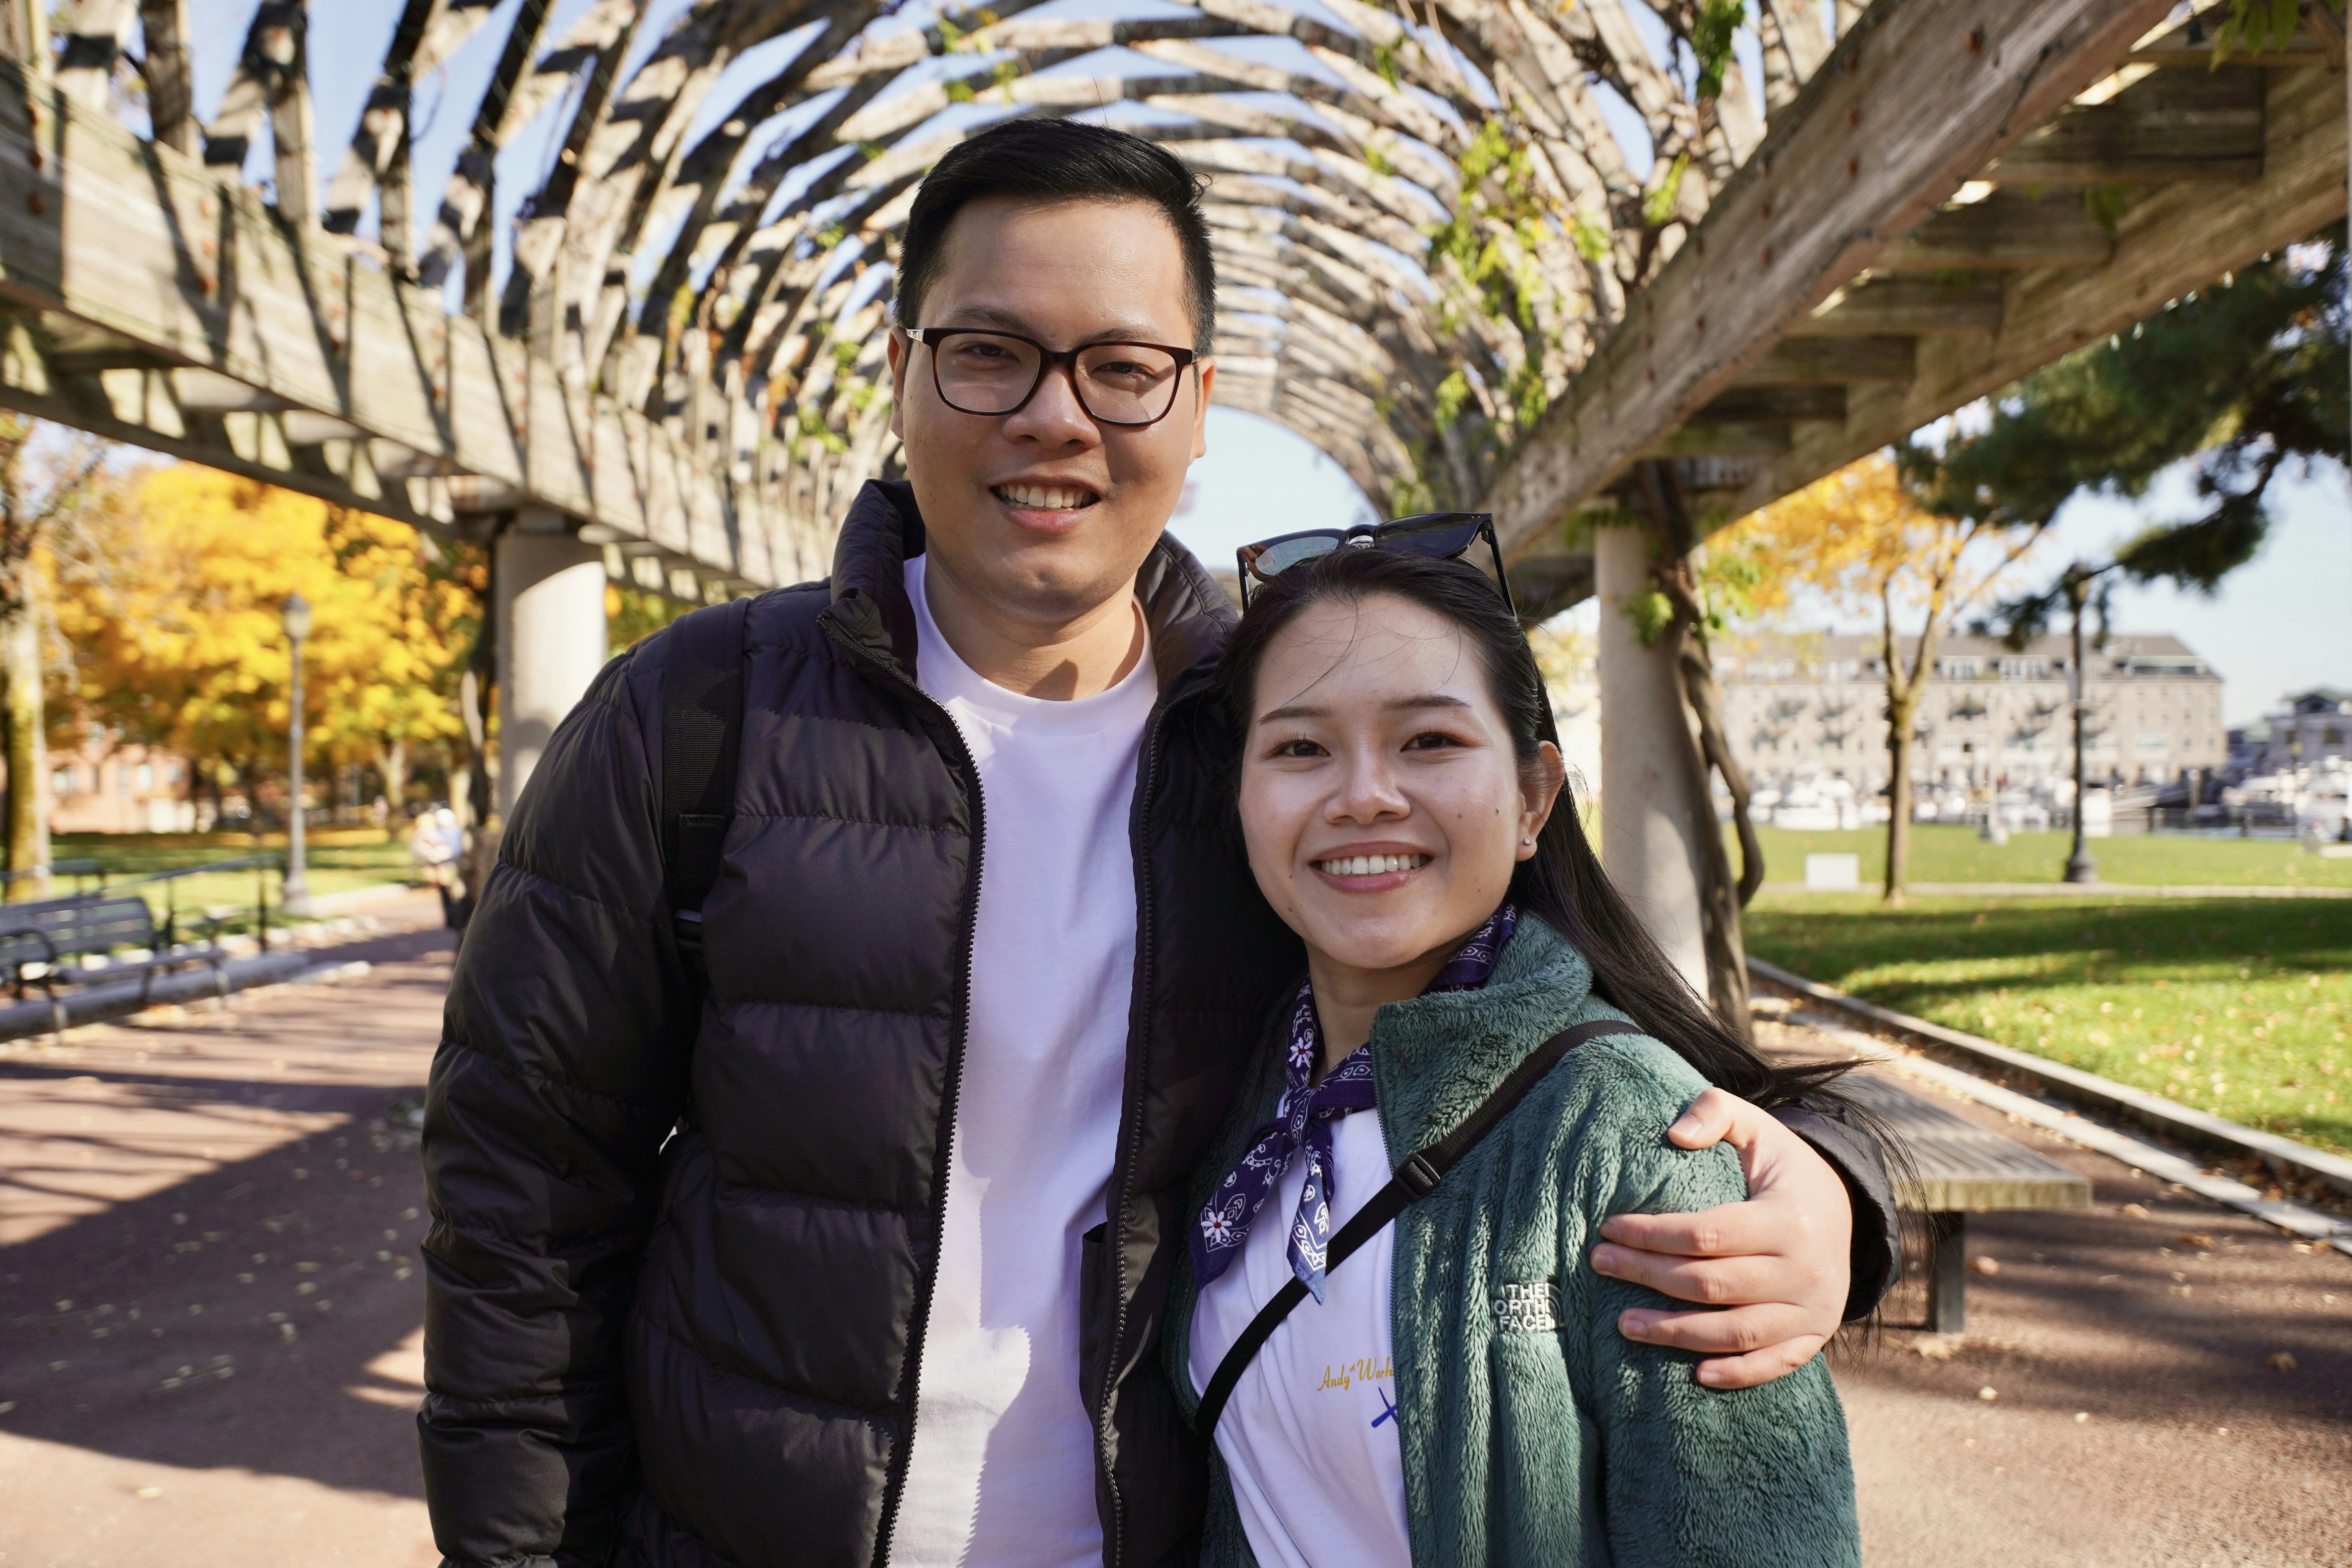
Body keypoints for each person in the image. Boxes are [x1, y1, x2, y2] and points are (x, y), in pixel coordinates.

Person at [417, 118, 1899, 1568]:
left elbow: (1541, 1009)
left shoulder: (1265, 749)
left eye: (1123, 370)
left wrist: (1830, 1200)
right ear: (900, 371)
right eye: (990, 352)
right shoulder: (697, 714)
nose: (1057, 418)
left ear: (1195, 408)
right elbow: (523, 1187)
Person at [1167, 541, 1869, 1567]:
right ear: (1241, 798)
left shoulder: (1633, 1135)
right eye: (1300, 750)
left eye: (1430, 741)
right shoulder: (1239, 1100)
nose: (1364, 796)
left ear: (1535, 799)